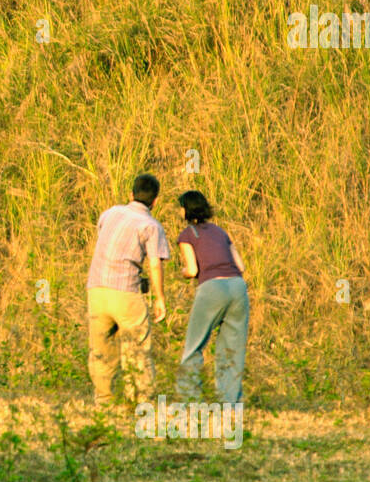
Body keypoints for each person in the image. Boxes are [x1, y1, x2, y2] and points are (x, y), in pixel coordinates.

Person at [86, 173, 170, 405]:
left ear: (131, 194)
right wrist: (159, 298)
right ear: (155, 201)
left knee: (101, 351)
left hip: (96, 289)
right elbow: (154, 263)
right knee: (137, 349)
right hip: (125, 292)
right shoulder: (151, 226)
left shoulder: (110, 213)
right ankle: (141, 403)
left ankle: (104, 402)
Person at [175, 190, 249, 404]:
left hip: (212, 288)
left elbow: (191, 269)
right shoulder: (220, 231)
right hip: (237, 286)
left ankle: (189, 399)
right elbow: (241, 265)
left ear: (186, 210)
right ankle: (230, 403)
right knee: (232, 349)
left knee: (194, 345)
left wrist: (181, 273)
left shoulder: (188, 234)